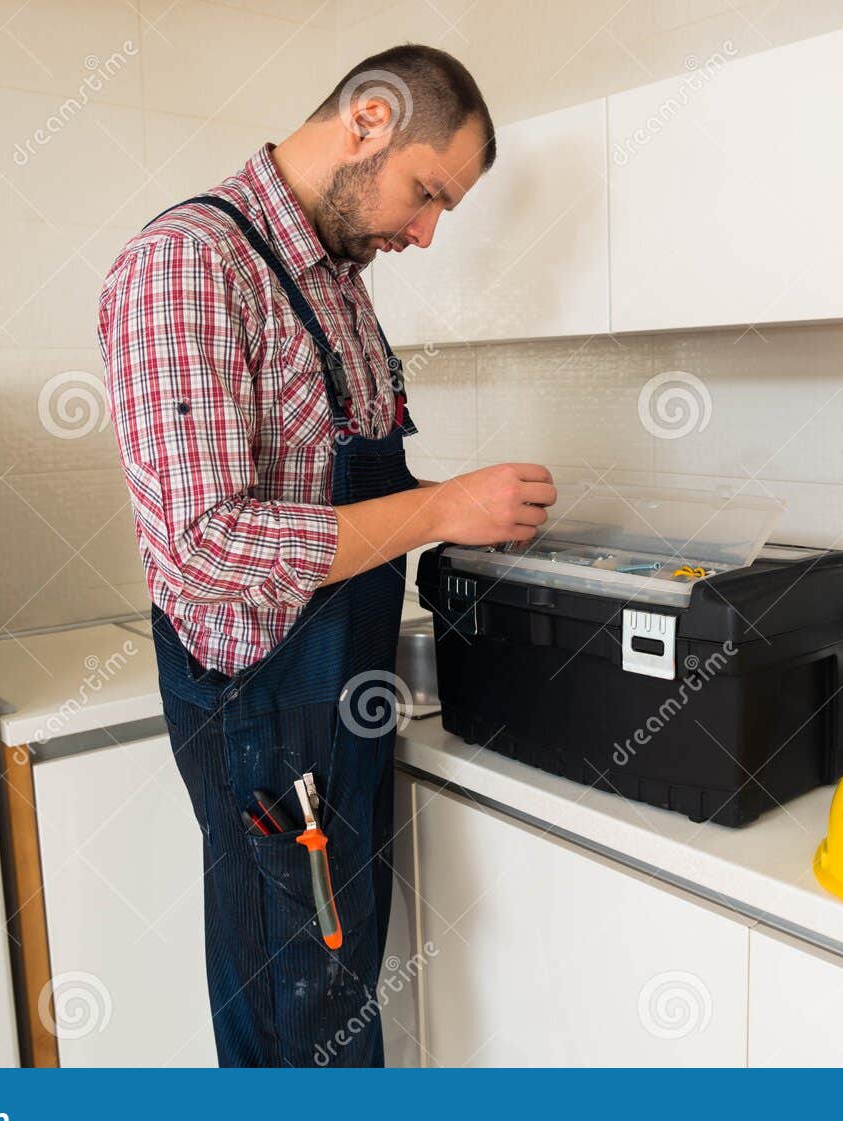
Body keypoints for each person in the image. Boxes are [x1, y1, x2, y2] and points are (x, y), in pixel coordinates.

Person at [97, 44, 555, 1067]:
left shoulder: (338, 282)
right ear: (368, 123)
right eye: (426, 194)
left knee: (340, 997)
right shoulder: (190, 264)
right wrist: (440, 506)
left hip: (346, 700)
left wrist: (450, 513)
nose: (428, 234)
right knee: (295, 1022)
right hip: (264, 720)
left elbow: (337, 492)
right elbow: (204, 548)